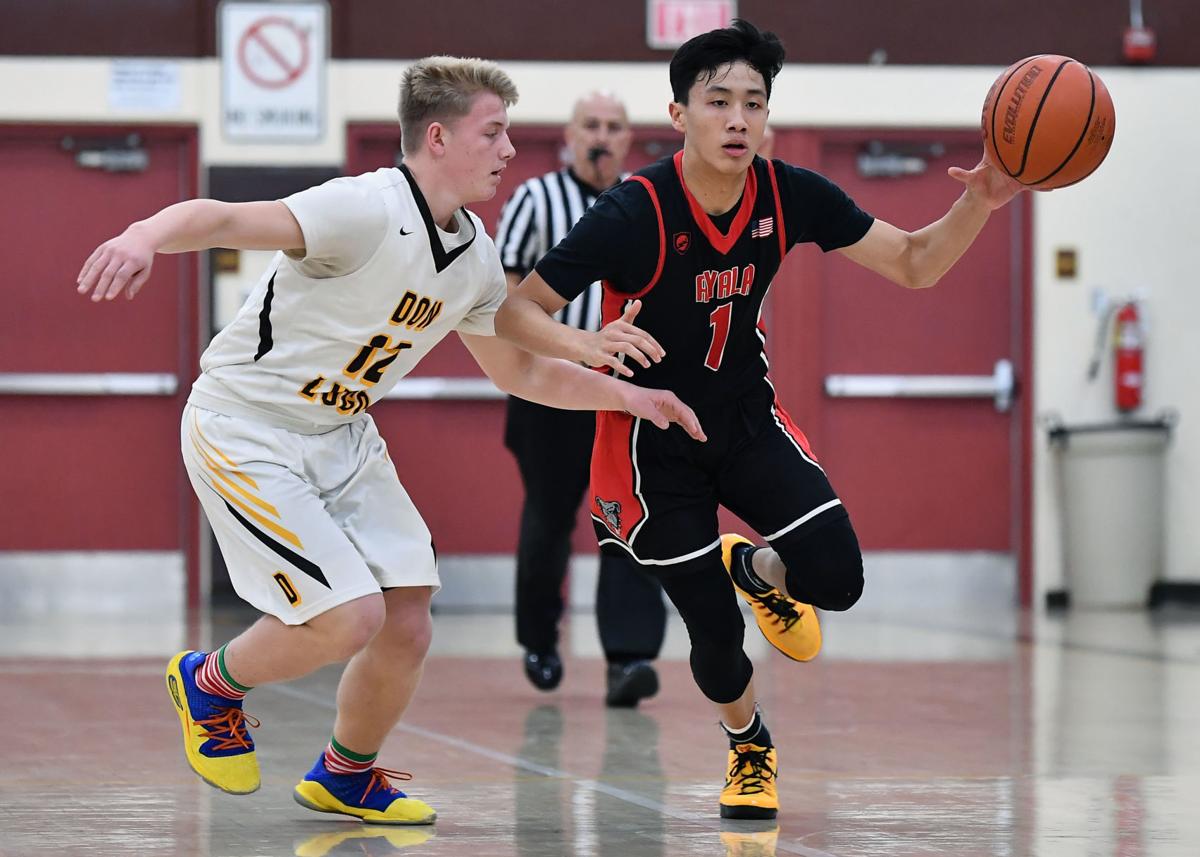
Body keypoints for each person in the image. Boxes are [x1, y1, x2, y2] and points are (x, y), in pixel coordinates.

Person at [76, 56, 704, 825]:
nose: (510, 150)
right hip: (250, 425)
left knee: (407, 616)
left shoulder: (473, 251)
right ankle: (211, 682)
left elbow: (522, 371)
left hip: (340, 433)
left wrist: (627, 395)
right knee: (349, 618)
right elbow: (225, 217)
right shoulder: (362, 208)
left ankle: (346, 773)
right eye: (494, 132)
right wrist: (142, 235)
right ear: (438, 137)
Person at [495, 20, 1023, 820]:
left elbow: (915, 262)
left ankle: (761, 572)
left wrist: (978, 200)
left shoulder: (790, 193)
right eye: (719, 102)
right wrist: (587, 340)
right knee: (713, 637)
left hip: (745, 420)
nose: (738, 119)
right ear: (680, 116)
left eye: (754, 102)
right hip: (654, 443)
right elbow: (514, 311)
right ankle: (749, 745)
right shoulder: (632, 210)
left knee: (838, 579)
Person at [494, 92, 667, 707]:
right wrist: (549, 360)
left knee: (631, 518)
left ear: (629, 139)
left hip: (624, 387)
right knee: (550, 515)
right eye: (591, 125)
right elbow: (509, 296)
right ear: (569, 135)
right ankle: (540, 639)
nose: (602, 136)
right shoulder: (535, 199)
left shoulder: (650, 201)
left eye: (614, 127)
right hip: (551, 388)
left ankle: (629, 658)